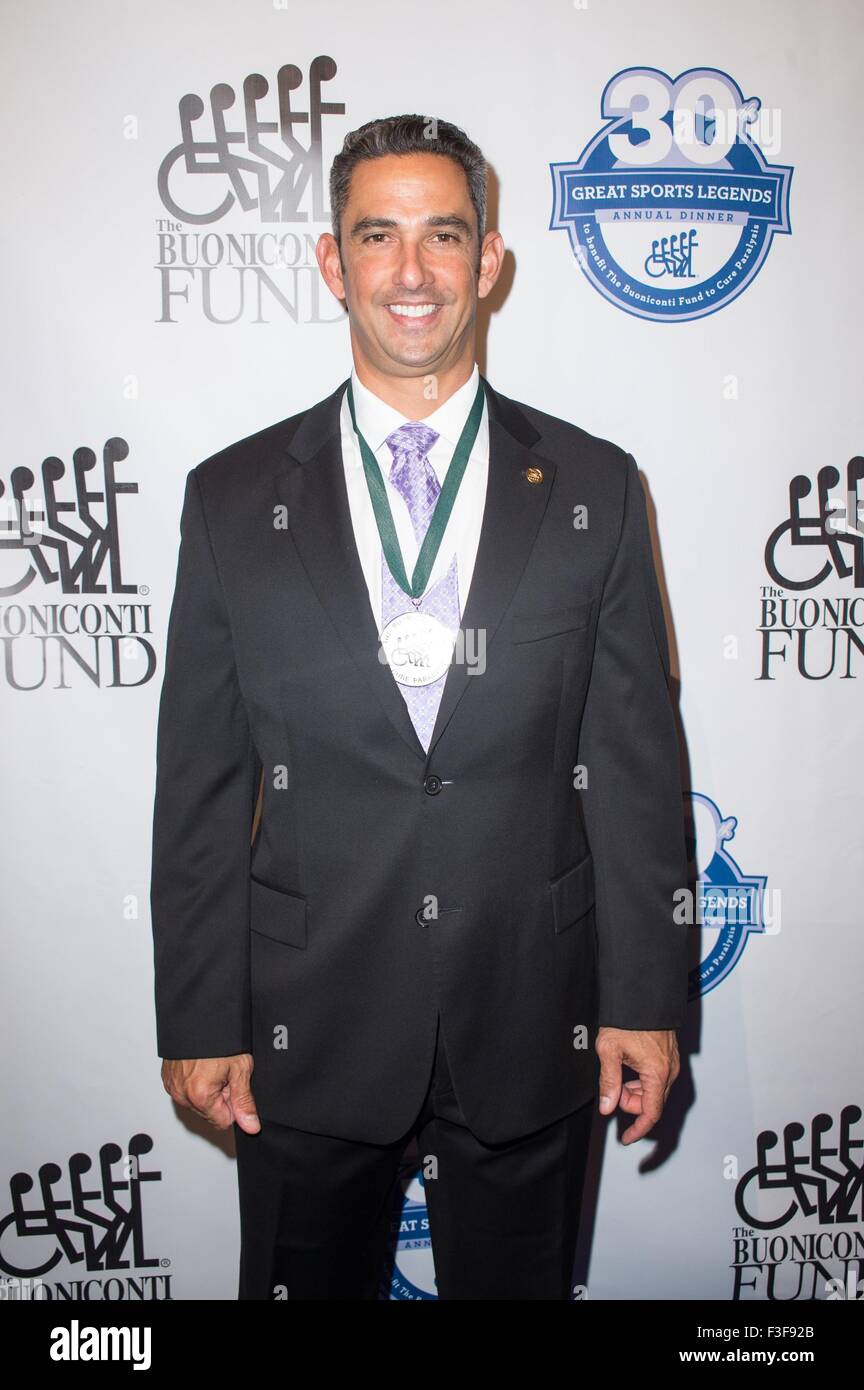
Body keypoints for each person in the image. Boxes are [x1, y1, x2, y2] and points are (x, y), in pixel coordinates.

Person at [150, 113, 689, 1301]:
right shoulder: (232, 500)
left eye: (443, 236)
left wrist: (647, 1001)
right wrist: (197, 1012)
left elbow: (638, 768)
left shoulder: (596, 486)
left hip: (531, 1012)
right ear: (332, 264)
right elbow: (200, 784)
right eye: (377, 238)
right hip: (307, 1022)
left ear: (489, 260)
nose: (411, 273)